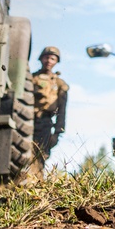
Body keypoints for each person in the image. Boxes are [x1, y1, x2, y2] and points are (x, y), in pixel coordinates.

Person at [30, 45, 69, 179]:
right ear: (41, 58)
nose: (49, 61)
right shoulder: (31, 79)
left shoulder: (60, 84)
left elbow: (62, 110)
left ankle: (36, 182)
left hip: (46, 123)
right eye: (46, 57)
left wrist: (58, 132)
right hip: (28, 120)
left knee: (41, 155)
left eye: (52, 58)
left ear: (56, 61)